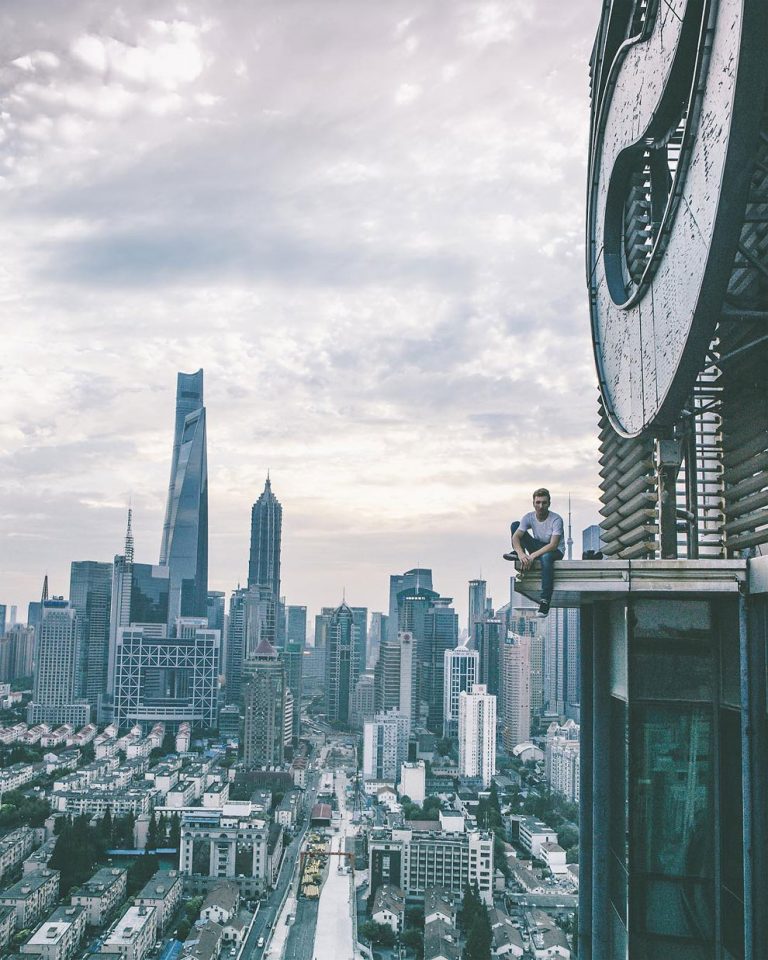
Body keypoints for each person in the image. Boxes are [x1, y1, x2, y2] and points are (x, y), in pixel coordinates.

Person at [503, 487, 564, 617]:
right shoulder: (529, 517)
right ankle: (517, 553)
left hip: (554, 551)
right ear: (533, 503)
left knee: (546, 557)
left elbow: (553, 545)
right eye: (538, 502)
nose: (541, 506)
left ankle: (545, 601)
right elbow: (516, 537)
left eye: (544, 503)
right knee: (515, 525)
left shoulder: (556, 519)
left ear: (549, 503)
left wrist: (532, 556)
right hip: (537, 547)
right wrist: (521, 554)